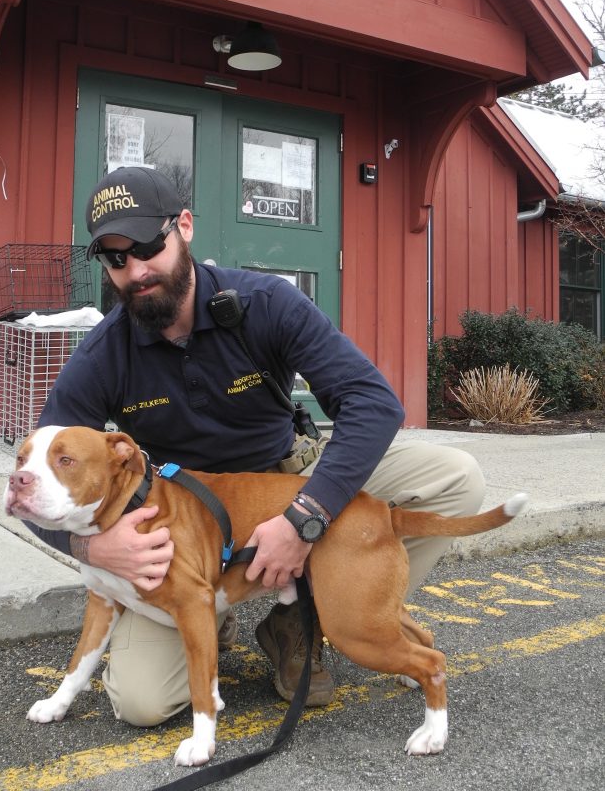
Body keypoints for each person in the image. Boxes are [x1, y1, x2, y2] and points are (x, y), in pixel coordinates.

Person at [28, 165, 485, 727]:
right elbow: (35, 475)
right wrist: (91, 550)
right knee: (141, 704)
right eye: (116, 259)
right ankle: (214, 605)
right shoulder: (104, 354)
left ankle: (319, 611)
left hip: (289, 472)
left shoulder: (264, 302)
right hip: (187, 522)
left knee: (455, 478)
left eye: (149, 245)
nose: (137, 270)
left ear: (184, 227)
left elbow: (374, 403)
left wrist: (305, 518)